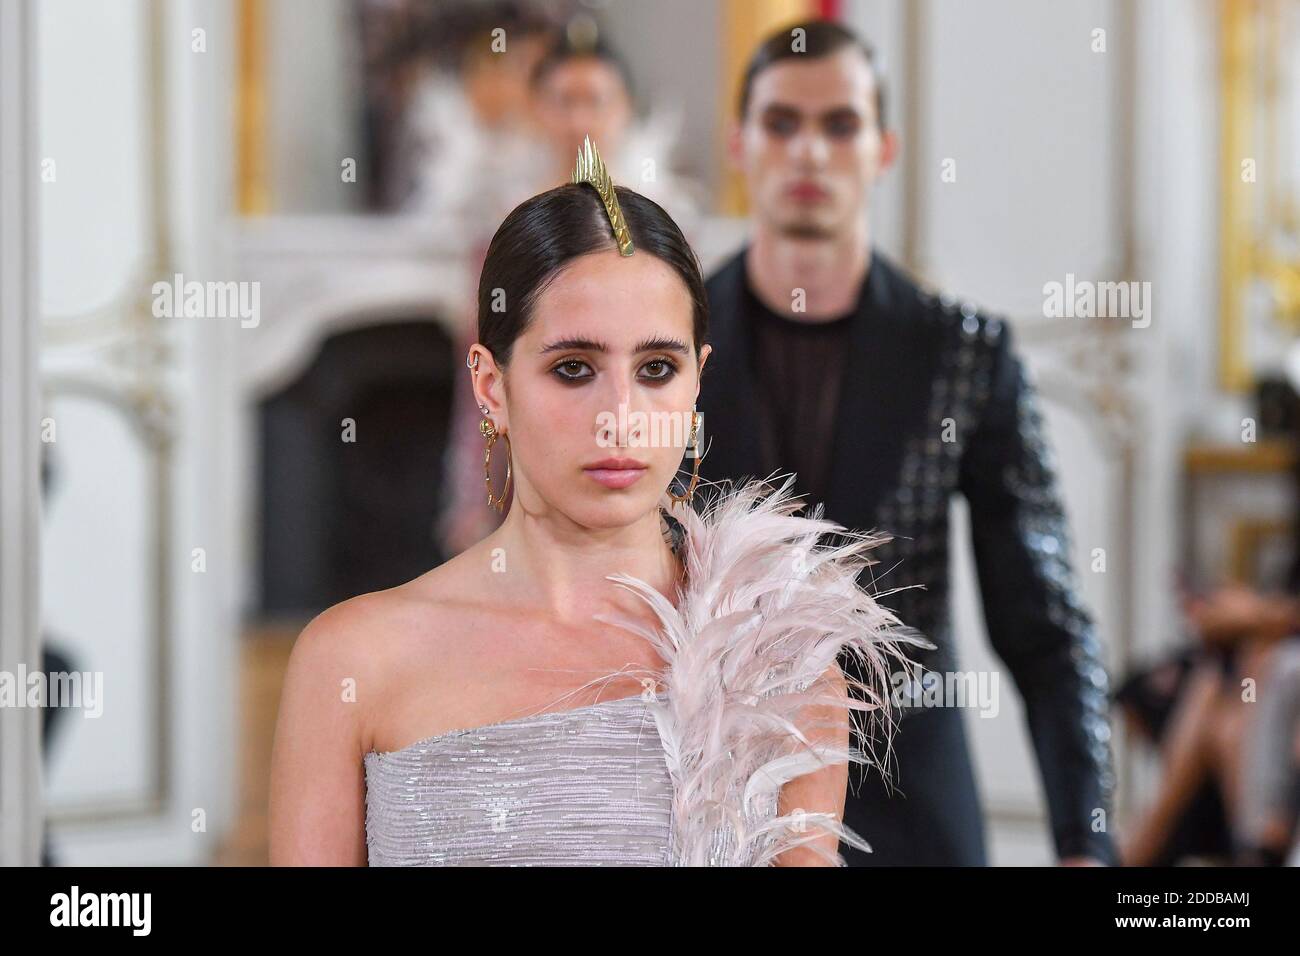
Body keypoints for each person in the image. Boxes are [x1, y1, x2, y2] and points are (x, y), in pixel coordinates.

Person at [267, 137, 923, 866]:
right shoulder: (354, 660)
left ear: (697, 381)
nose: (620, 414)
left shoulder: (776, 664)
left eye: (656, 368)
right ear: (491, 387)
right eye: (574, 368)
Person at [698, 19, 1118, 865]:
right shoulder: (671, 346)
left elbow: (1046, 628)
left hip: (913, 815)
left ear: (883, 147)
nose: (809, 152)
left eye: (839, 124)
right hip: (711, 805)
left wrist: (1086, 839)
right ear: (740, 144)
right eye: (783, 123)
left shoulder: (964, 353)